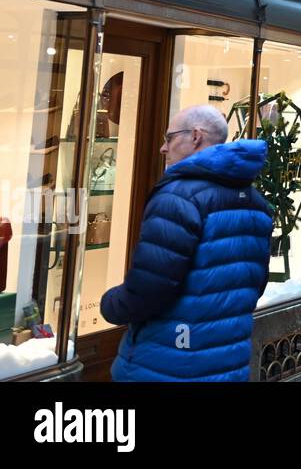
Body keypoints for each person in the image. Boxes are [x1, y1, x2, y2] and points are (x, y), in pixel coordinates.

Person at [100, 105, 272, 381]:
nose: (162, 148)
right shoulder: (254, 200)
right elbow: (255, 283)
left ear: (195, 136)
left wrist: (111, 304)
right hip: (227, 363)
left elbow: (151, 289)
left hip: (168, 363)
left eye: (169, 138)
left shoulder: (178, 199)